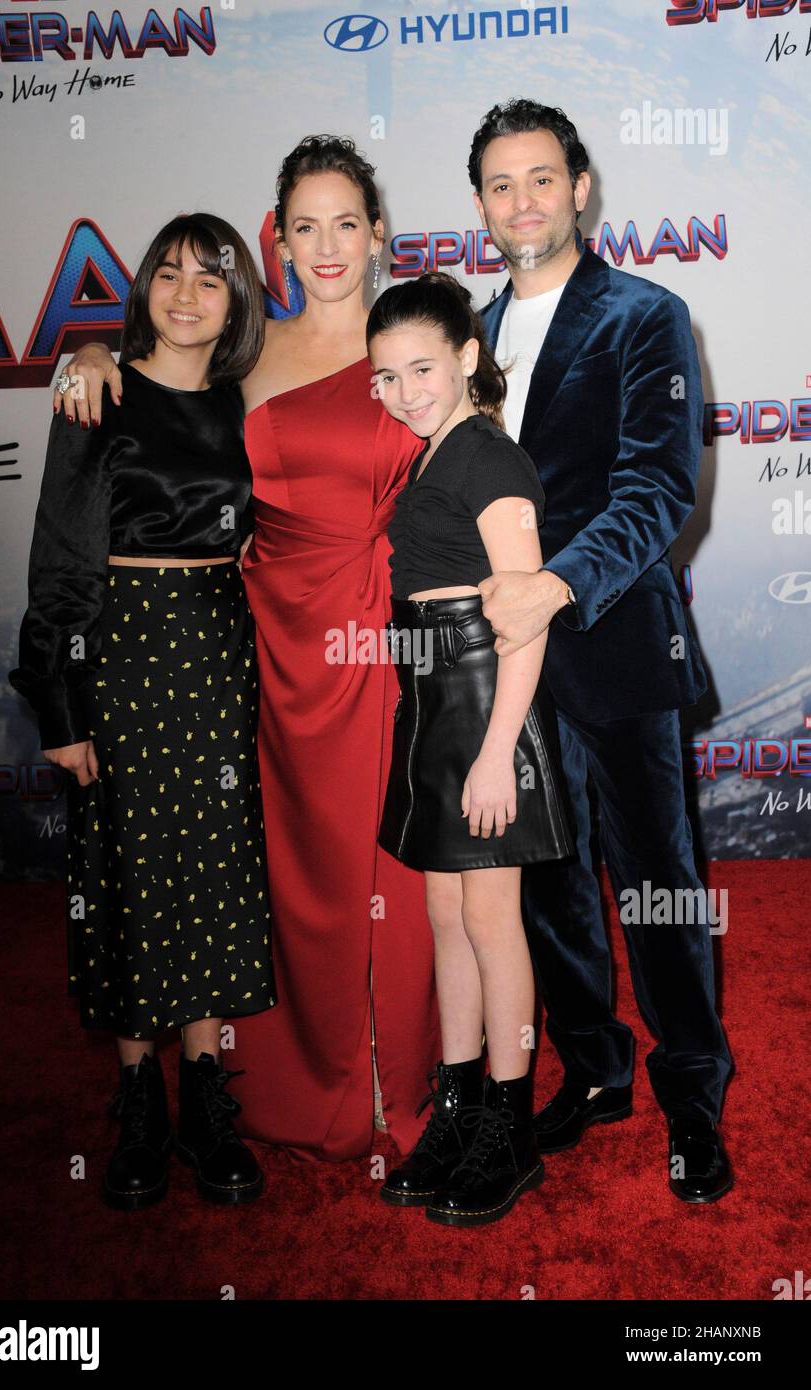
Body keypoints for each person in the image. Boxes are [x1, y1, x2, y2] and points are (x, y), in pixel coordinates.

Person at [48, 138, 442, 1163]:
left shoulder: (418, 341)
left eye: (343, 222)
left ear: (375, 232)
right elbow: (152, 399)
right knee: (255, 870)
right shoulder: (247, 362)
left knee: (400, 873)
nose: (324, 244)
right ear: (276, 241)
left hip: (393, 647)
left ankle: (399, 1079)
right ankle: (252, 1081)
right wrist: (89, 353)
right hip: (270, 652)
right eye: (301, 225)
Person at [470, 98, 733, 1202]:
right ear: (478, 206)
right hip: (506, 676)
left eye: (541, 177)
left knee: (658, 886)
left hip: (616, 644)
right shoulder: (465, 337)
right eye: (498, 184)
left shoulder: (643, 315)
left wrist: (555, 584)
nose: (521, 200)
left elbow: (655, 487)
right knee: (547, 888)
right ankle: (592, 1067)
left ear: (579, 188)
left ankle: (691, 1093)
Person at [9, 213, 276, 1209]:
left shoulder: (242, 403)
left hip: (214, 649)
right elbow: (57, 554)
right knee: (122, 866)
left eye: (210, 280)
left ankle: (205, 1092)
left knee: (205, 862)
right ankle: (138, 1096)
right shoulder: (96, 391)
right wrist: (60, 704)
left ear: (236, 302)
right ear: (142, 291)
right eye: (167, 274)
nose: (184, 294)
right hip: (116, 647)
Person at [366, 272, 576, 1226]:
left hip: (485, 698)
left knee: (493, 922)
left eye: (422, 368)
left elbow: (522, 616)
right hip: (431, 697)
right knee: (448, 917)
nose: (406, 391)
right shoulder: (433, 450)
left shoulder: (487, 456)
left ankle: (508, 1127)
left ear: (464, 358)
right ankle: (454, 1110)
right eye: (385, 377)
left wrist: (500, 753)